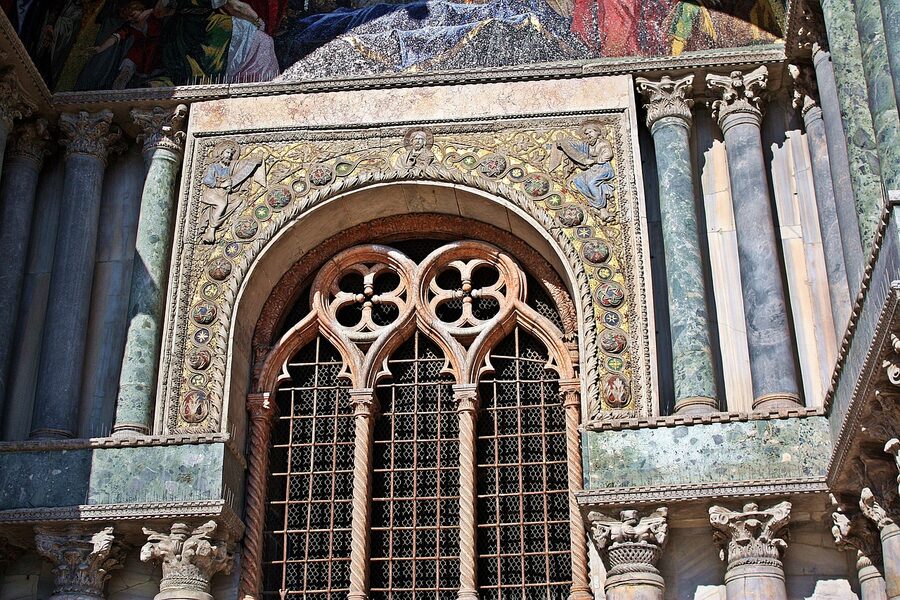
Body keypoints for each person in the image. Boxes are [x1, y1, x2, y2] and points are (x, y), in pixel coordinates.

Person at [86, 1, 163, 89]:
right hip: (137, 51)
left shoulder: (153, 15)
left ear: (140, 9)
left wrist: (149, 12)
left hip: (155, 50)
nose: (130, 18)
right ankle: (118, 90)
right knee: (127, 66)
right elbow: (116, 37)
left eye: (132, 14)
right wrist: (100, 48)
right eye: (128, 17)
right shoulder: (130, 26)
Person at [550, 123, 615, 222]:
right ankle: (596, 205)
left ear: (597, 132)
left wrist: (595, 160)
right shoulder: (587, 145)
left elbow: (608, 154)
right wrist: (564, 143)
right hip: (593, 169)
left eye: (591, 132)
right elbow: (576, 146)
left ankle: (602, 208)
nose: (589, 135)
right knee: (578, 180)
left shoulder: (603, 143)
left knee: (591, 182)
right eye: (586, 133)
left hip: (603, 168)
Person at [199, 145, 261, 244]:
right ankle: (211, 228)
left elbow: (238, 173)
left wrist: (229, 186)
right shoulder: (214, 167)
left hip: (224, 194)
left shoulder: (229, 169)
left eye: (231, 154)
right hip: (212, 194)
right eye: (227, 153)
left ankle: (227, 222)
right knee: (222, 204)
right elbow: (207, 180)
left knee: (238, 201)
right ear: (221, 154)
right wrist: (221, 184)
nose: (229, 156)